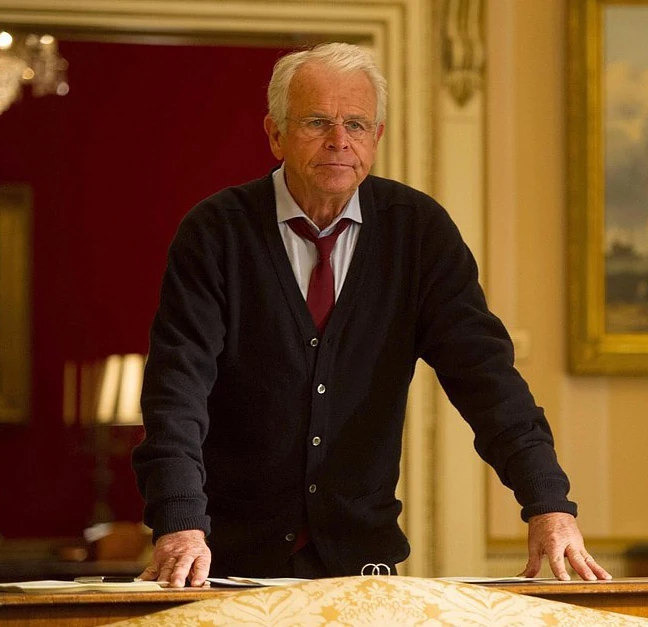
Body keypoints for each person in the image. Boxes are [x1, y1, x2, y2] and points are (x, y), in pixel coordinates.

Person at [132, 42, 611, 588]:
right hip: (224, 560)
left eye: (356, 125)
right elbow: (177, 391)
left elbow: (487, 379)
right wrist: (180, 521)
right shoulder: (216, 232)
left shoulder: (418, 232)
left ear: (377, 137)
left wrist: (548, 503)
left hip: (363, 564)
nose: (340, 141)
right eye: (317, 122)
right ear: (275, 134)